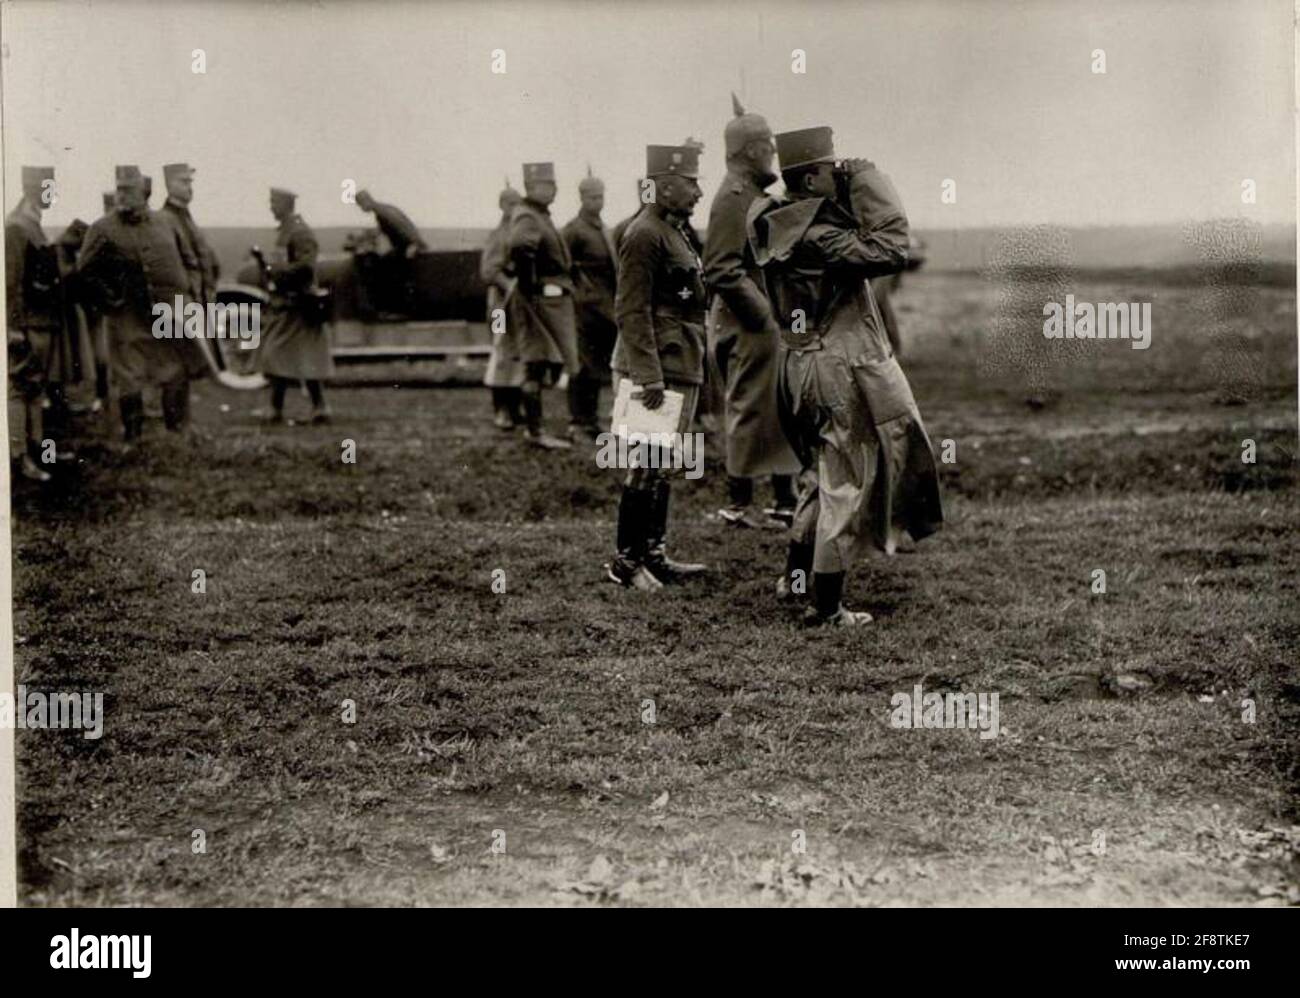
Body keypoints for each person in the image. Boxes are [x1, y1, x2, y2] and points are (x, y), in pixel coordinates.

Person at [748, 126, 943, 626]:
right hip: (836, 363)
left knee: (820, 471)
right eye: (826, 170)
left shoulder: (769, 218)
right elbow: (892, 248)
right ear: (809, 180)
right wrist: (869, 180)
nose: (836, 177)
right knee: (847, 478)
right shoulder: (820, 236)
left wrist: (826, 182)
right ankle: (827, 607)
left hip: (798, 360)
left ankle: (795, 578)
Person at [606, 144, 708, 590]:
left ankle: (654, 554)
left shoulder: (673, 230)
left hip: (678, 363)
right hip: (655, 369)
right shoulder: (644, 234)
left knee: (664, 464)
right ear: (664, 186)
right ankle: (625, 566)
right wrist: (647, 375)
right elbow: (631, 310)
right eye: (691, 183)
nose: (700, 192)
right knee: (645, 463)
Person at [703, 94, 800, 530]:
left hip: (761, 320)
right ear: (752, 150)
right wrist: (762, 315)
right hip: (747, 322)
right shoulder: (733, 196)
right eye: (768, 146)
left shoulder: (754, 195)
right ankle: (739, 505)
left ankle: (783, 500)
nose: (773, 154)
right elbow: (721, 268)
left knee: (776, 408)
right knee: (749, 408)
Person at [77, 165, 204, 445]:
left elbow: (190, 262)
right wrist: (110, 298)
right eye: (119, 189)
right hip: (127, 316)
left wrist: (190, 295)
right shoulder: (102, 228)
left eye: (128, 190)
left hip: (170, 312)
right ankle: (133, 438)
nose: (122, 196)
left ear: (144, 192)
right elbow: (84, 271)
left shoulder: (166, 222)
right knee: (129, 375)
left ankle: (176, 433)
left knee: (175, 369)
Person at [506, 161, 580, 449]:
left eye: (553, 184)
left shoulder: (539, 215)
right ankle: (535, 432)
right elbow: (521, 249)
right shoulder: (527, 216)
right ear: (530, 187)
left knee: (544, 364)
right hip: (537, 302)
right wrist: (531, 291)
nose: (553, 189)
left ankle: (540, 430)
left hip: (548, 299)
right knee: (534, 364)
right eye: (545, 185)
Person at [6, 166, 65, 479]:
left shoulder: (32, 225)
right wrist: (13, 328)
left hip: (43, 322)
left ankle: (41, 453)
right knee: (19, 388)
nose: (52, 194)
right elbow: (10, 282)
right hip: (27, 323)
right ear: (34, 190)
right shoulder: (17, 227)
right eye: (48, 188)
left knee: (35, 388)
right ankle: (18, 459)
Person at [256, 187, 333, 424]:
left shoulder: (299, 232)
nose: (270, 207)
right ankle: (283, 408)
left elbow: (306, 266)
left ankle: (314, 407)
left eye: (274, 202)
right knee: (283, 358)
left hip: (299, 306)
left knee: (290, 357)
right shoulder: (288, 231)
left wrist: (274, 270)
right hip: (287, 307)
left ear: (286, 204)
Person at [157, 162, 220, 431]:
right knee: (176, 365)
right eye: (184, 182)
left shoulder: (184, 216)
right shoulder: (165, 219)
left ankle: (183, 423)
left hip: (194, 301)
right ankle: (176, 426)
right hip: (178, 303)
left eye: (190, 182)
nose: (189, 187)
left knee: (185, 364)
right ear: (170, 184)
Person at [562, 168, 619, 442]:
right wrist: (577, 293)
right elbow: (562, 268)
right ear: (582, 197)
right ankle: (577, 423)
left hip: (604, 309)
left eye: (601, 196)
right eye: (593, 197)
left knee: (596, 366)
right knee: (582, 366)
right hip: (582, 309)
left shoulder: (604, 230)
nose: (598, 201)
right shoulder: (573, 231)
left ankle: (591, 420)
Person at [480, 181, 524, 429]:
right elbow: (489, 271)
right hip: (500, 305)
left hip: (520, 305)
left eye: (518, 203)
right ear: (501, 205)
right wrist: (509, 285)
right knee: (501, 352)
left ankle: (515, 408)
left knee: (519, 353)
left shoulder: (521, 232)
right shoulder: (497, 236)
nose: (514, 208)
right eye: (510, 203)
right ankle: (501, 410)